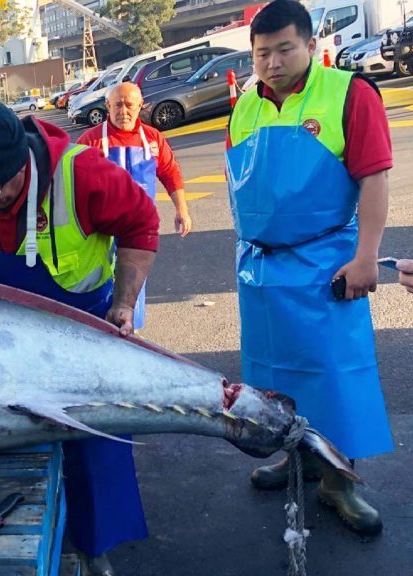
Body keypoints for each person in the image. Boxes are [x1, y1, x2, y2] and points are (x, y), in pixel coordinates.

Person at [0, 103, 160, 576]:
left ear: (21, 166)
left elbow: (141, 224)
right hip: (9, 335)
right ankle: (29, 543)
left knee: (92, 446)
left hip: (83, 329)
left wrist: (124, 303)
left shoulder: (81, 174)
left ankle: (93, 547)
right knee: (16, 440)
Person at [227, 0, 393, 535]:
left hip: (326, 263)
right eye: (262, 54)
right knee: (274, 376)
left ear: (311, 45)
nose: (272, 63)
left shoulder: (348, 94)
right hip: (262, 270)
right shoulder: (245, 106)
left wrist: (365, 256)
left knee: (333, 375)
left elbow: (373, 178)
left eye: (284, 49)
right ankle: (296, 457)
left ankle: (339, 480)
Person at [77, 81, 192, 330]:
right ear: (107, 106)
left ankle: (132, 331)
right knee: (101, 282)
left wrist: (181, 209)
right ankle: (99, 329)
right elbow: (73, 182)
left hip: (139, 230)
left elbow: (170, 172)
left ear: (141, 106)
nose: (124, 111)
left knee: (134, 282)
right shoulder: (90, 141)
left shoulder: (152, 138)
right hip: (101, 232)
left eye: (129, 105)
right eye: (117, 105)